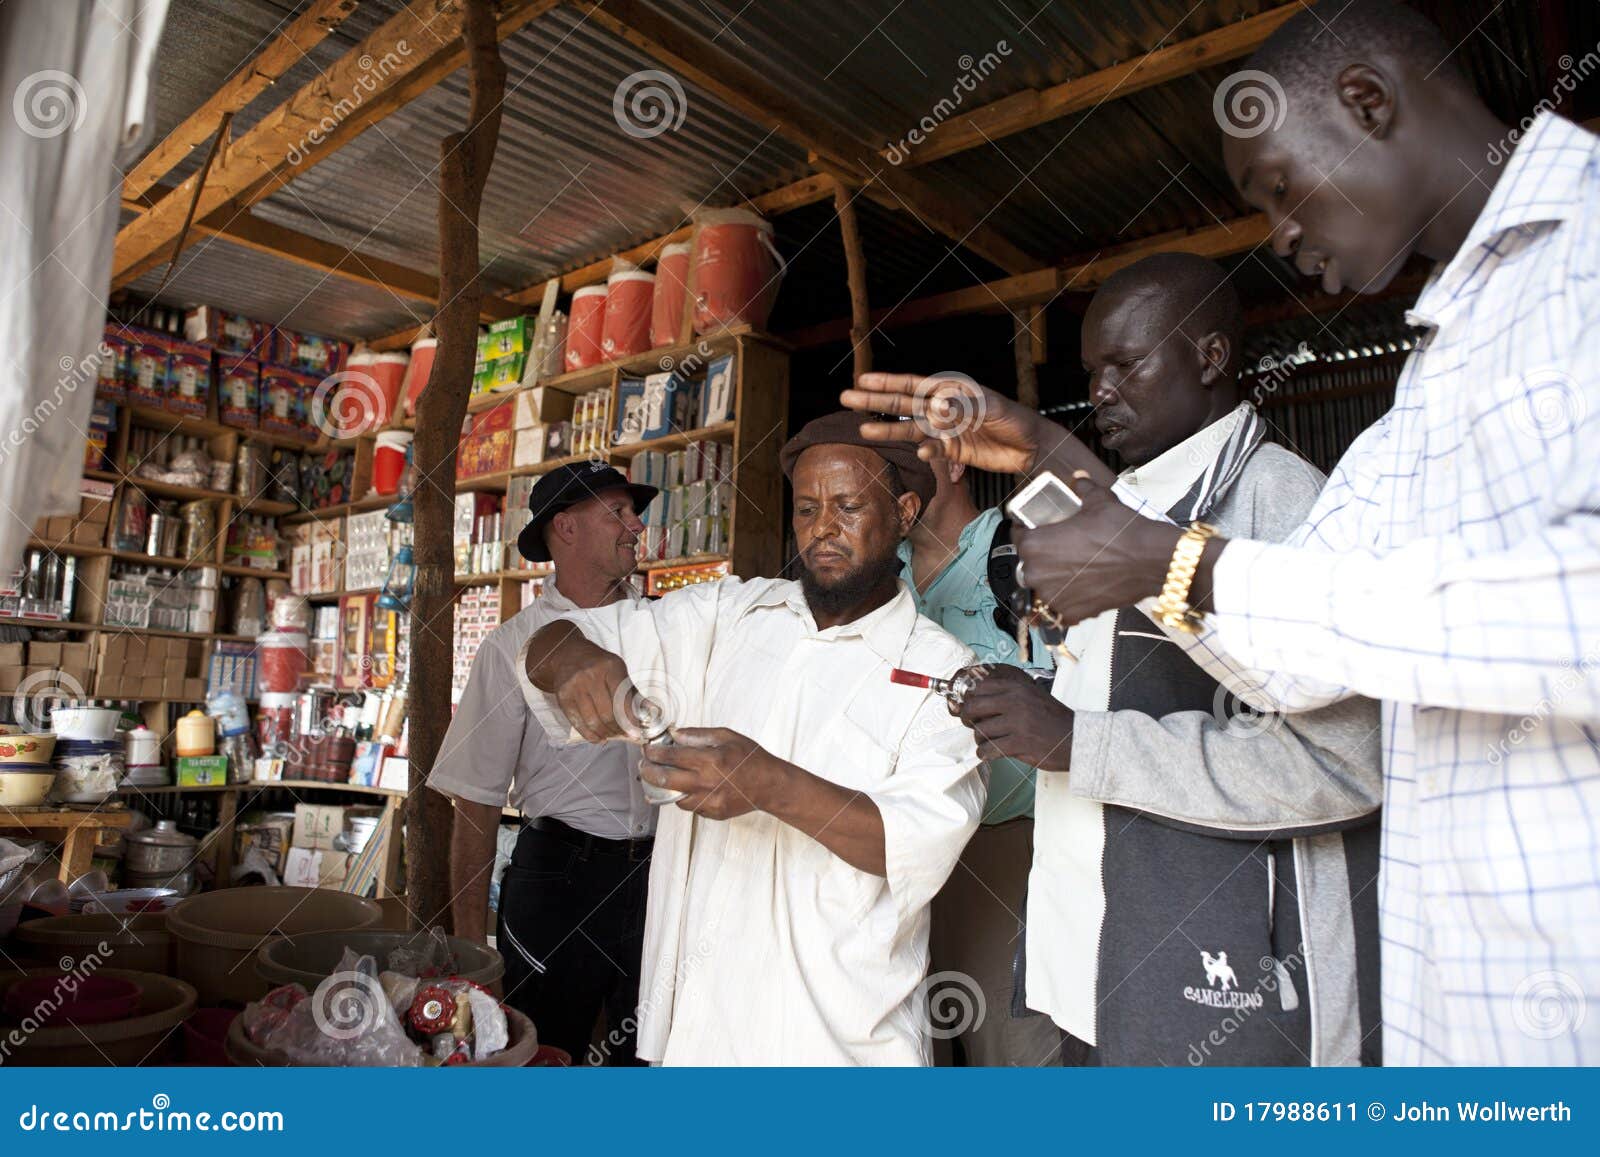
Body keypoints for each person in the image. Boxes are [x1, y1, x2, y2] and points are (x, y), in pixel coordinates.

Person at [843, 0, 1600, 1066]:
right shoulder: (1428, 385)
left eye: (1278, 188)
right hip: (1411, 1010)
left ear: (1368, 101)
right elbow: (1292, 654)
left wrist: (1123, 653)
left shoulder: (1579, 266)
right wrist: (1060, 466)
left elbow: (1379, 726)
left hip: (1283, 991)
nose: (1278, 235)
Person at [963, 254, 1381, 1066]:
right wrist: (1035, 699)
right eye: (1092, 371)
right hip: (1087, 958)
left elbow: (1345, 765)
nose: (1102, 391)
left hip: (1218, 978)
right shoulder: (1116, 506)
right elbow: (1129, 690)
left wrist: (1079, 742)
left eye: (1126, 364)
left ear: (1211, 357)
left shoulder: (1281, 502)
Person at [519, 412, 984, 1065]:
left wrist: (767, 782)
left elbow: (915, 840)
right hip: (700, 1037)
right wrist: (570, 656)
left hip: (842, 1045)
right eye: (807, 508)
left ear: (905, 511)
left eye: (848, 505)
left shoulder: (943, 669)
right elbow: (547, 643)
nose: (823, 527)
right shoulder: (729, 615)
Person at [427, 461, 659, 1066]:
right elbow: (475, 805)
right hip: (561, 880)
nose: (637, 525)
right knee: (543, 1046)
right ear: (567, 529)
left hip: (659, 875)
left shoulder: (667, 632)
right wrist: (473, 951)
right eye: (619, 512)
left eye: (635, 512)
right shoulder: (508, 648)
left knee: (645, 1054)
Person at [900, 459, 1063, 1066]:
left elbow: (1089, 696)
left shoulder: (1023, 557)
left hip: (1000, 852)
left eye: (910, 451)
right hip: (892, 851)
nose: (893, 475)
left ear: (955, 456)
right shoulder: (877, 574)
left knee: (1012, 1052)